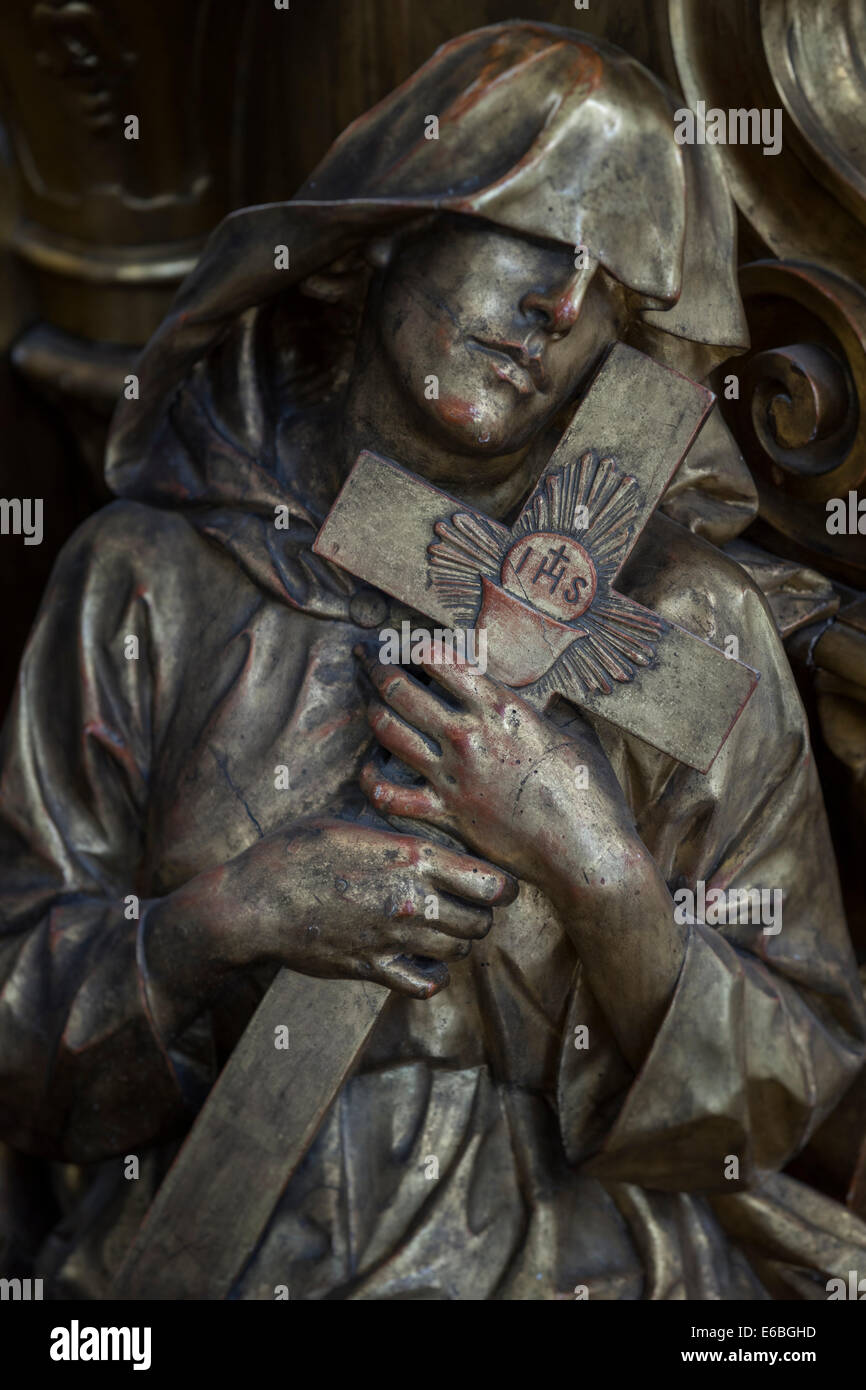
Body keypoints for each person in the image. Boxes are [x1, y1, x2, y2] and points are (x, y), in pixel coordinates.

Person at [1, 21, 864, 1300]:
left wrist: (594, 862)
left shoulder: (685, 626)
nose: (557, 312)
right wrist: (226, 921)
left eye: (608, 285)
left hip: (598, 1268)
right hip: (214, 1248)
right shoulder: (152, 577)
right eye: (535, 236)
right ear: (391, 226)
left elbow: (801, 1093)